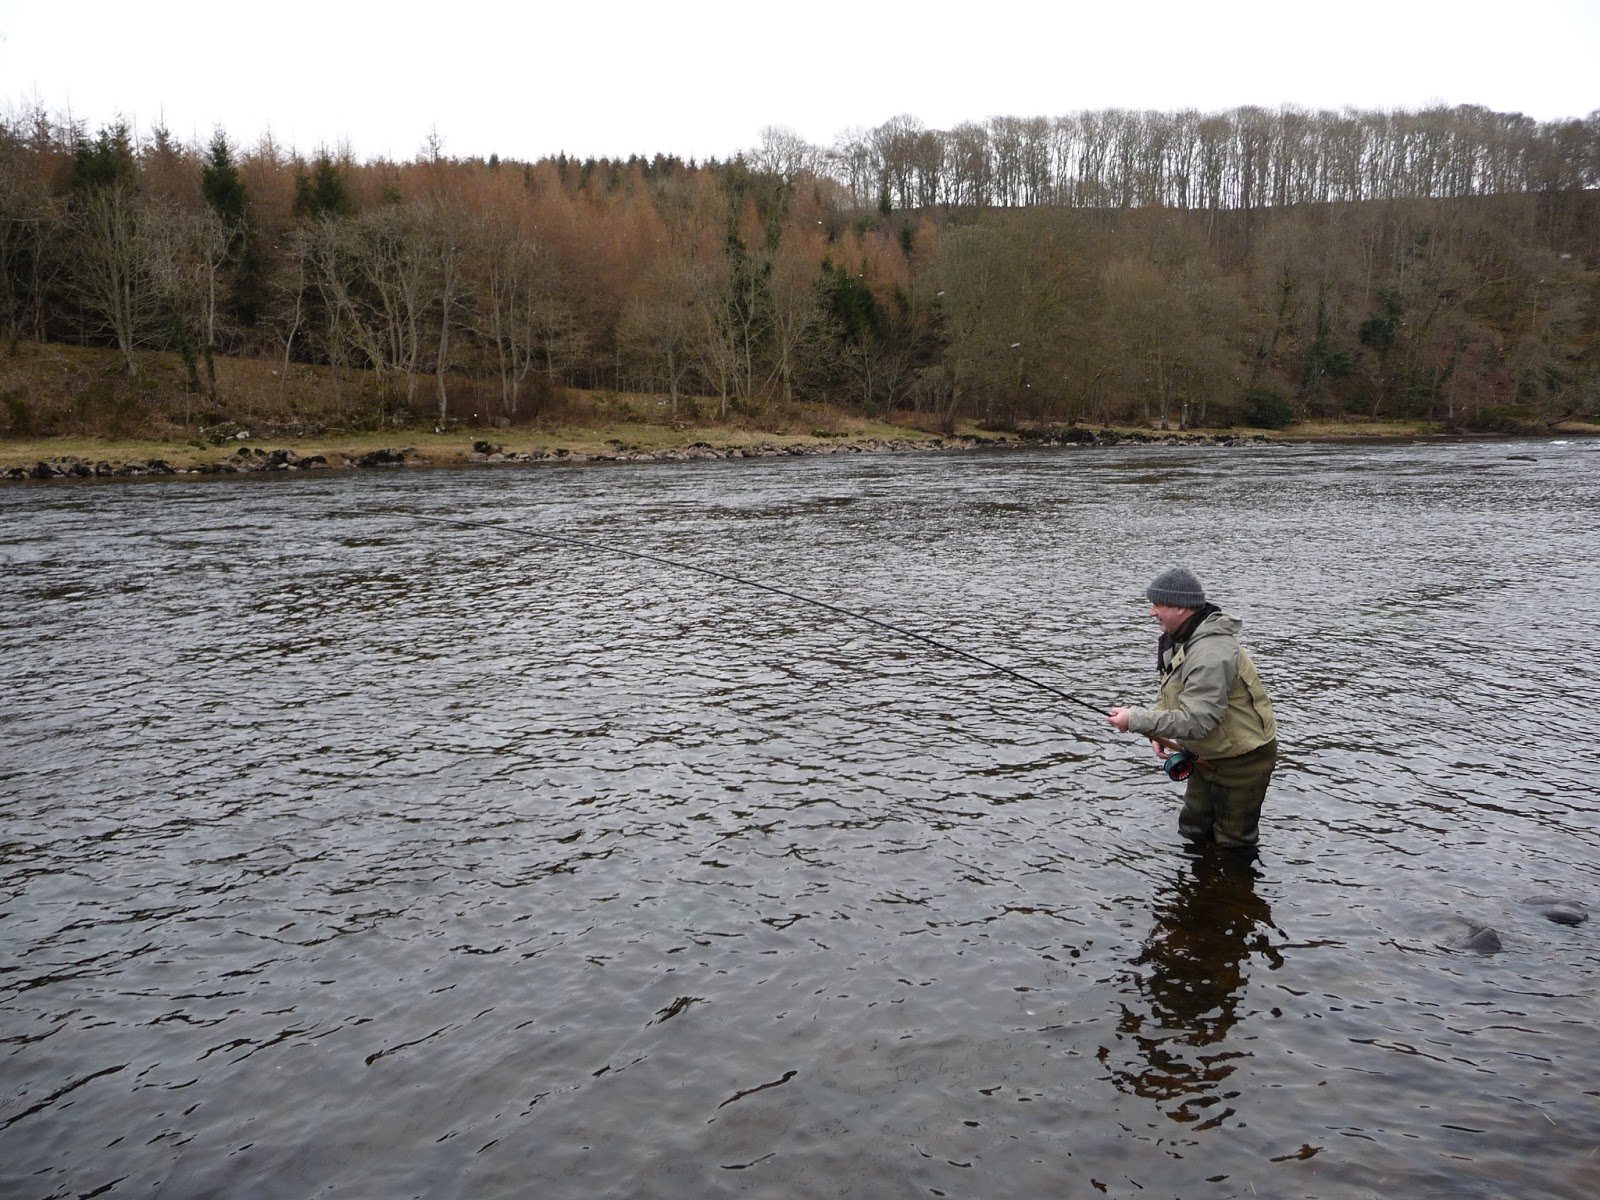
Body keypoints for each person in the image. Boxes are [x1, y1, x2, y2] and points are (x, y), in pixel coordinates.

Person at [1108, 567, 1278, 846]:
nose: (1151, 612)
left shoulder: (1211, 652)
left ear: (1181, 608)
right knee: (1193, 827)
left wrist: (1136, 720)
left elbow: (1198, 721)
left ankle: (1230, 888)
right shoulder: (1181, 636)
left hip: (1242, 760)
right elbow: (1171, 689)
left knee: (1234, 842)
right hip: (1204, 753)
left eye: (1158, 605)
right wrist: (1157, 732)